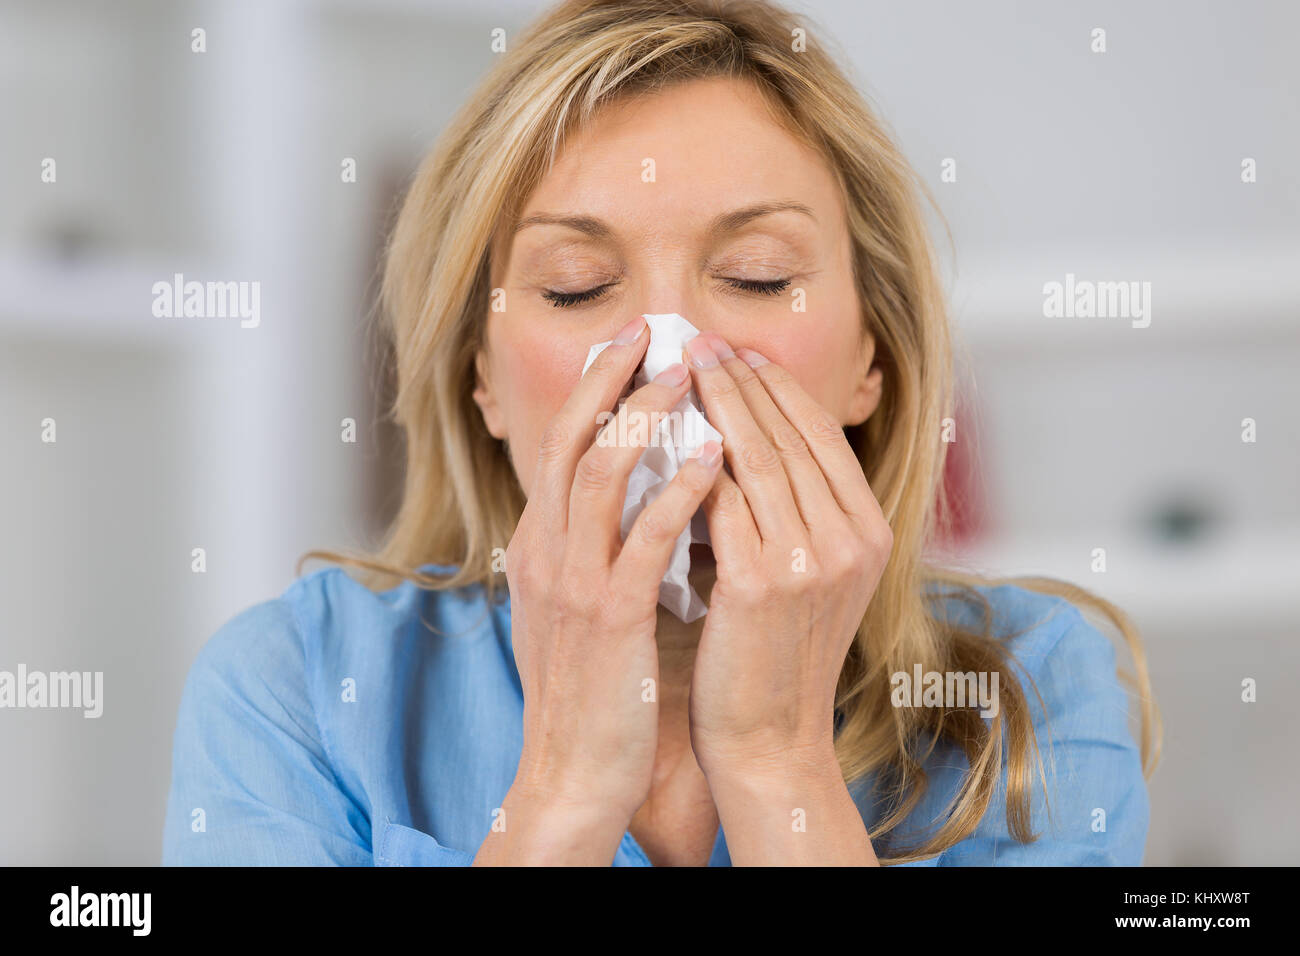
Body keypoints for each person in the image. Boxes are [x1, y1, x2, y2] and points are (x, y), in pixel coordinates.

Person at [163, 0, 1159, 866]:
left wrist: (776, 760)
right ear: (483, 380)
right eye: (576, 286)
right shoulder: (296, 688)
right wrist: (563, 786)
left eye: (760, 274)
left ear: (874, 359)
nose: (670, 358)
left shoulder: (1036, 691)